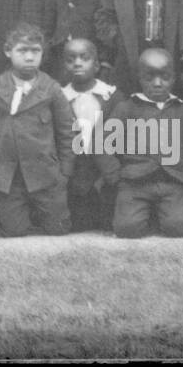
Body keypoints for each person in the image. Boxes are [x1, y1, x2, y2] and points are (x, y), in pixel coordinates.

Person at [103, 48, 183, 239]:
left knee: (179, 228)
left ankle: (168, 214)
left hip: (174, 183)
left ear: (174, 78)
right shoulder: (126, 108)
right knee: (127, 229)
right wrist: (115, 177)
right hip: (135, 183)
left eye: (165, 77)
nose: (158, 83)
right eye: (149, 77)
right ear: (139, 78)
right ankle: (146, 214)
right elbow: (103, 145)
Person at [0, 23, 74, 237]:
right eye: (22, 51)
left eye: (35, 51)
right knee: (14, 231)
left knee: (58, 229)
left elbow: (67, 132)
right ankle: (9, 212)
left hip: (46, 175)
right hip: (10, 176)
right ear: (8, 51)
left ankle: (42, 212)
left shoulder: (51, 89)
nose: (30, 57)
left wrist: (64, 173)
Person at [59, 38, 119, 232]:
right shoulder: (59, 99)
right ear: (64, 65)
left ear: (96, 65)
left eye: (84, 58)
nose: (77, 63)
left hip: (106, 172)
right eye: (70, 59)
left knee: (111, 221)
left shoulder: (112, 96)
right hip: (74, 172)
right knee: (74, 223)